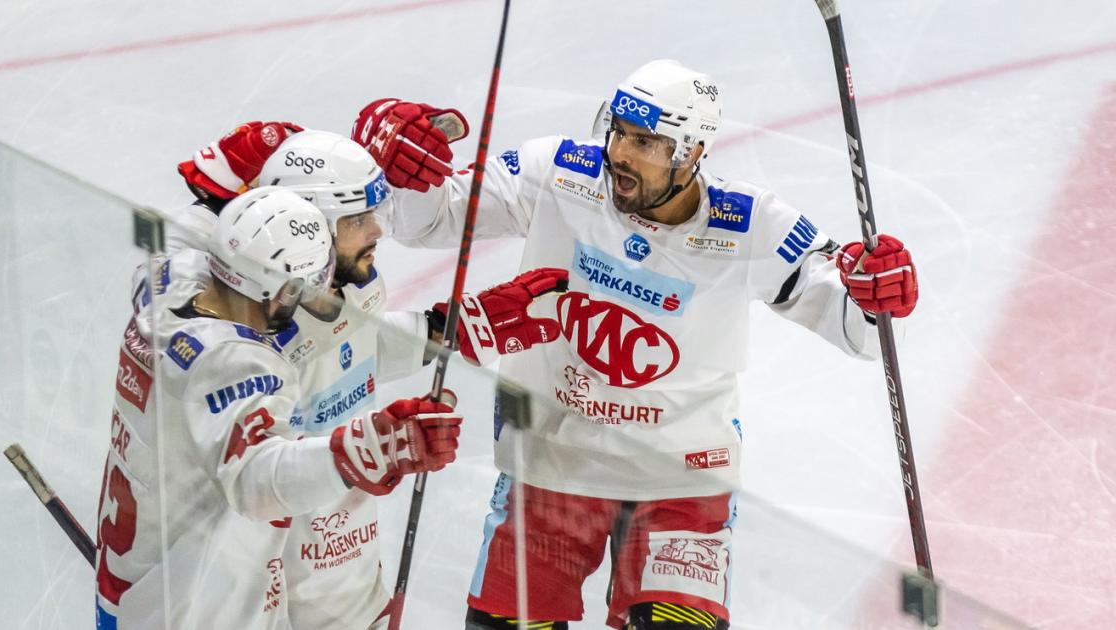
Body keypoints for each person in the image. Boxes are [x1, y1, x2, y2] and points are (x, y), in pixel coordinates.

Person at [350, 59, 920, 629]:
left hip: (682, 478)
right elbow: (430, 221)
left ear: (693, 152)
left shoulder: (751, 224)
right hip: (552, 462)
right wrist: (403, 173)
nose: (620, 153)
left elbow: (858, 330)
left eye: (645, 141)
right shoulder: (559, 171)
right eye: (618, 131)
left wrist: (876, 297)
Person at [167, 126, 569, 628]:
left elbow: (348, 350)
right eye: (360, 218)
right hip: (248, 552)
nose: (378, 231)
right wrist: (370, 449)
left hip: (339, 544)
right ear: (310, 223)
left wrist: (444, 330)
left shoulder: (352, 284)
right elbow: (255, 475)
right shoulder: (243, 333)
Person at [95, 187, 464, 629]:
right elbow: (257, 478)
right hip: (193, 607)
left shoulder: (166, 288)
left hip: (133, 583)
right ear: (282, 288)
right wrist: (363, 451)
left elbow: (184, 239)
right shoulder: (239, 364)